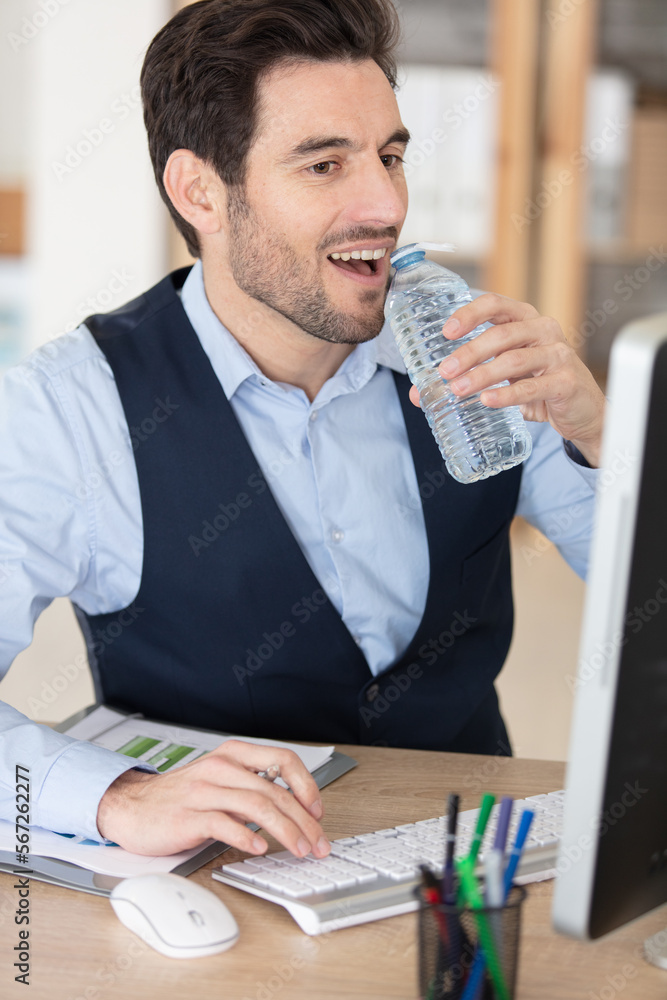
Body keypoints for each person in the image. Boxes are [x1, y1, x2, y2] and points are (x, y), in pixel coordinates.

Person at [0, 0, 604, 861]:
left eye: (389, 156)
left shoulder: (466, 349)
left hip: (469, 874)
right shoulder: (69, 411)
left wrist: (604, 438)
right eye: (324, 165)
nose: (384, 202)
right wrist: (116, 799)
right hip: (217, 890)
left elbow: (641, 596)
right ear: (199, 190)